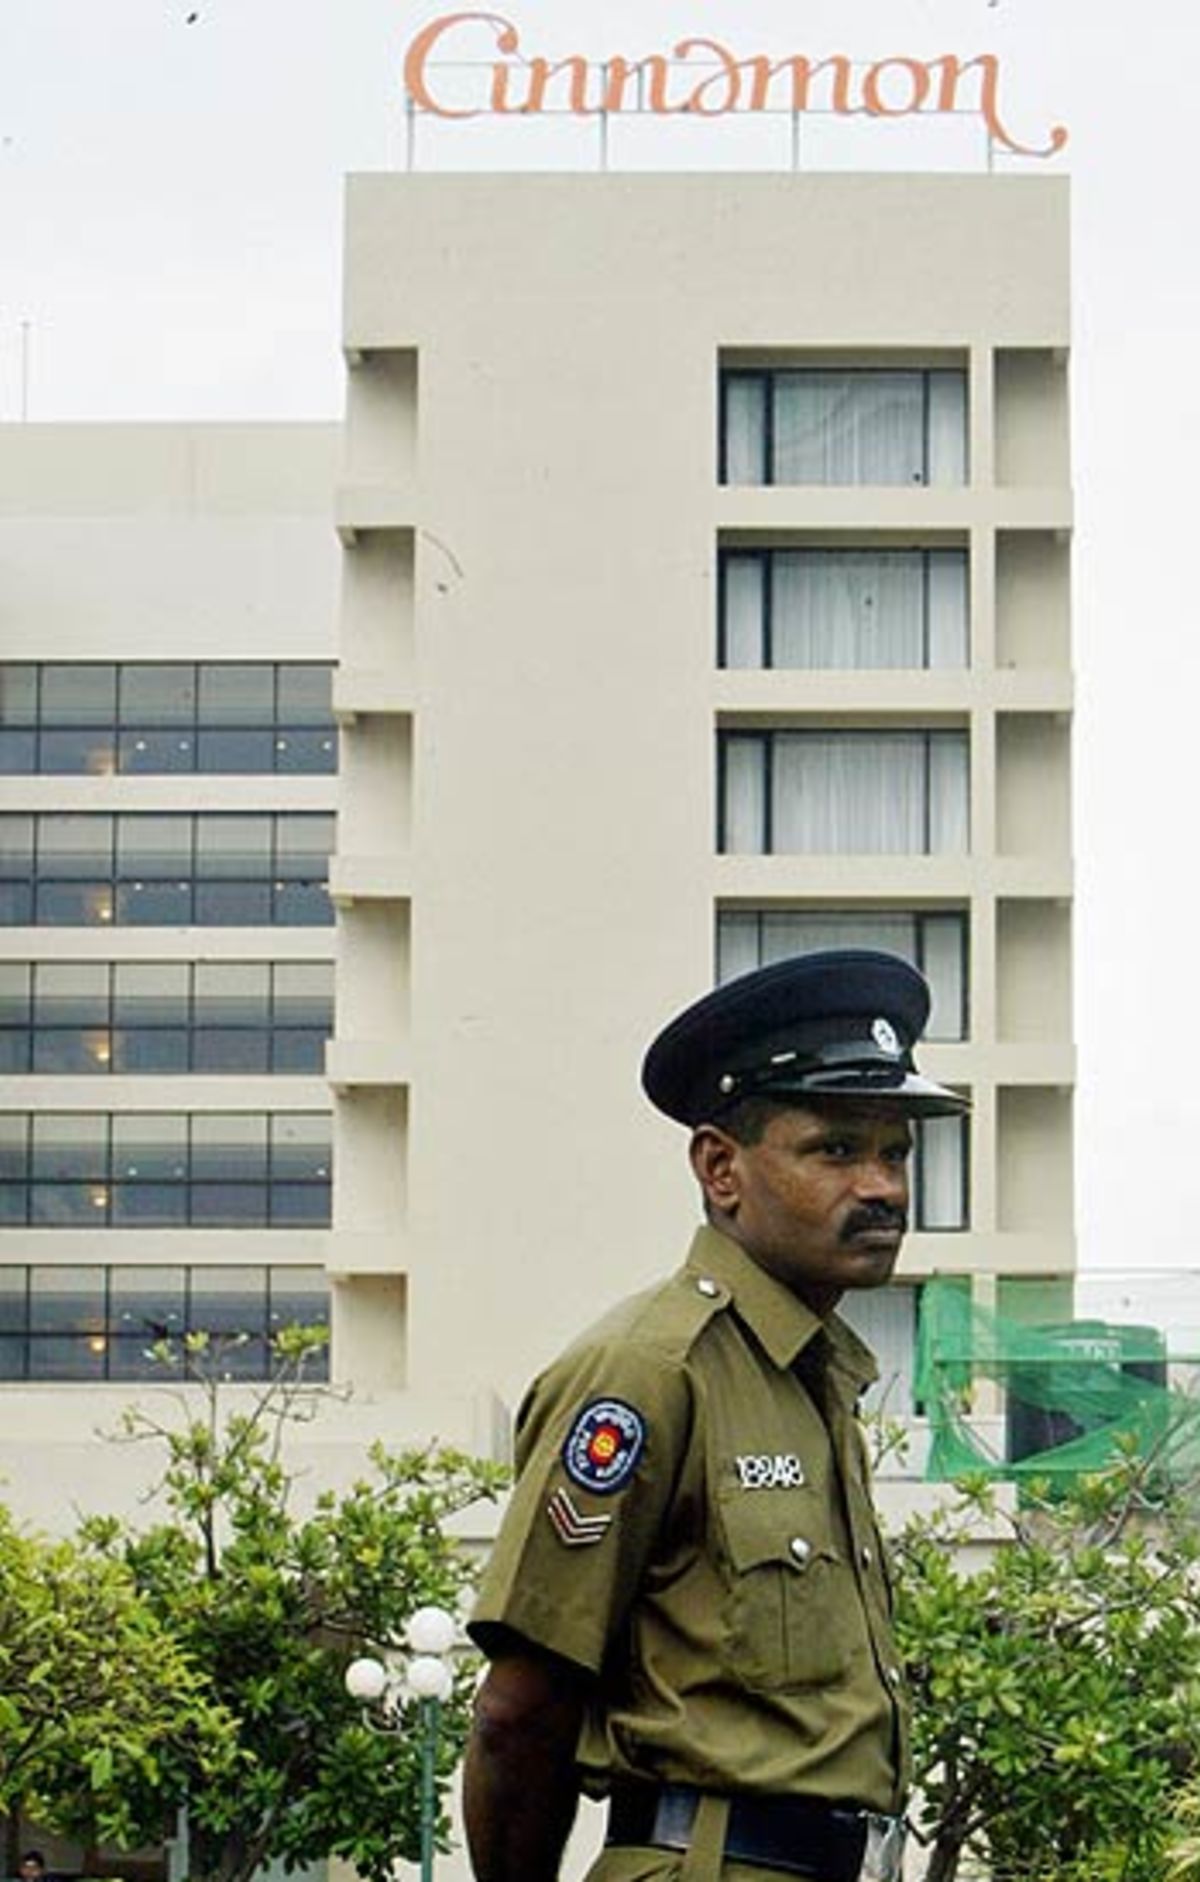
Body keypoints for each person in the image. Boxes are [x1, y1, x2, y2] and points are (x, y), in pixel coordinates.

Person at [463, 949, 969, 1882]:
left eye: (896, 1152)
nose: (884, 1187)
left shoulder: (812, 1379)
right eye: (835, 1148)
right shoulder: (650, 1373)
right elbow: (518, 1716)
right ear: (720, 1167)